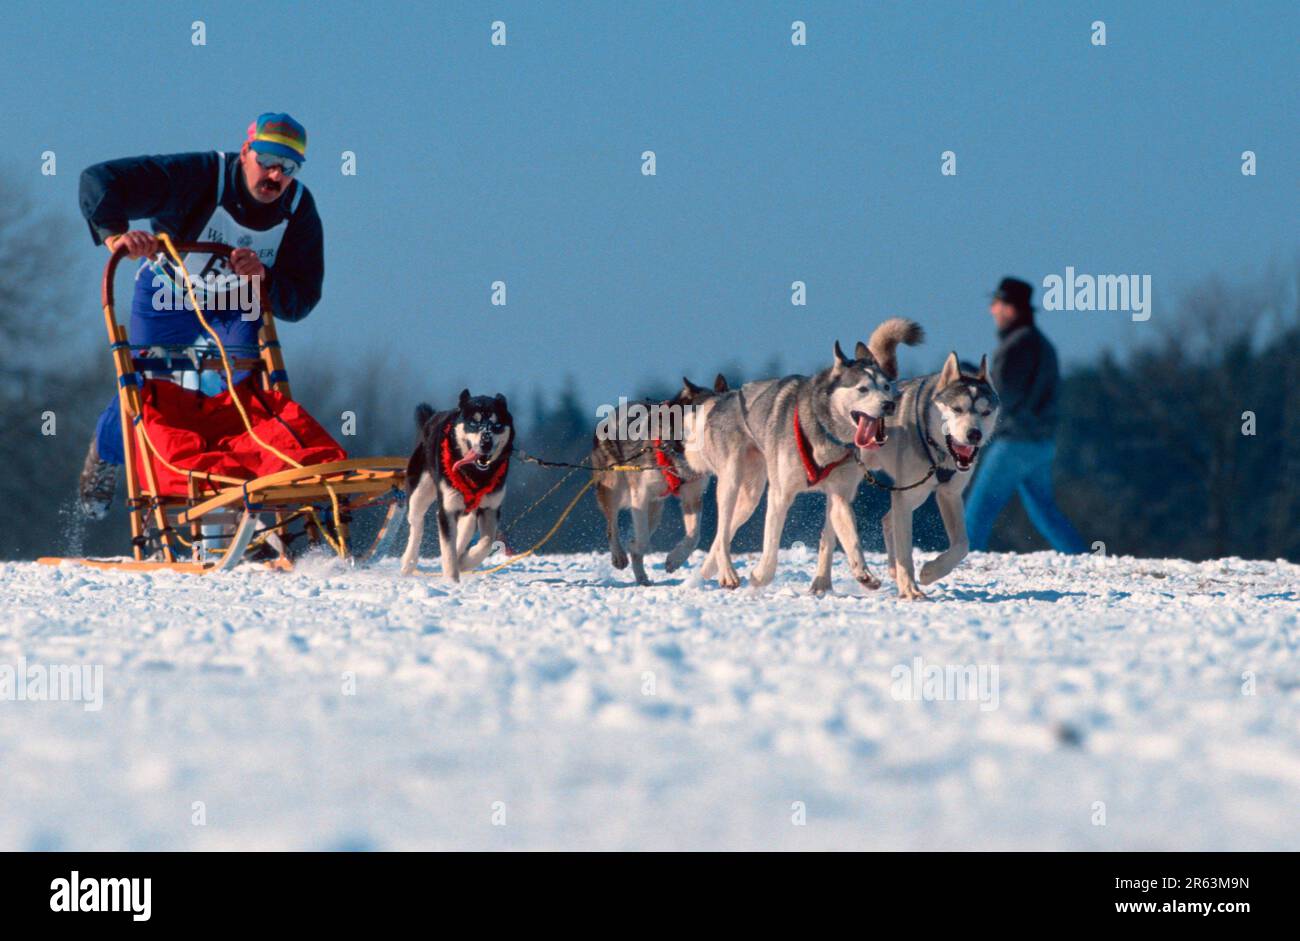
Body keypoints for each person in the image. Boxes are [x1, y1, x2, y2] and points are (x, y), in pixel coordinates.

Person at [76, 113, 324, 518]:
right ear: (246, 152)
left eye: (289, 168)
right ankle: (107, 453)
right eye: (267, 161)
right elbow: (99, 180)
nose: (275, 176)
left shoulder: (297, 208)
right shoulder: (198, 175)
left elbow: (302, 297)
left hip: (234, 301)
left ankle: (238, 485)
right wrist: (118, 234)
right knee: (147, 388)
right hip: (169, 292)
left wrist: (265, 277)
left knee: (245, 391)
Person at [964, 277, 1087, 553]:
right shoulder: (1041, 343)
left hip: (1016, 442)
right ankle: (1085, 560)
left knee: (975, 514)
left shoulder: (1018, 346)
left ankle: (961, 567)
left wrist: (972, 380)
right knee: (1046, 514)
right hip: (1042, 443)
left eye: (996, 304)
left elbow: (1003, 397)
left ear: (1010, 308)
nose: (991, 310)